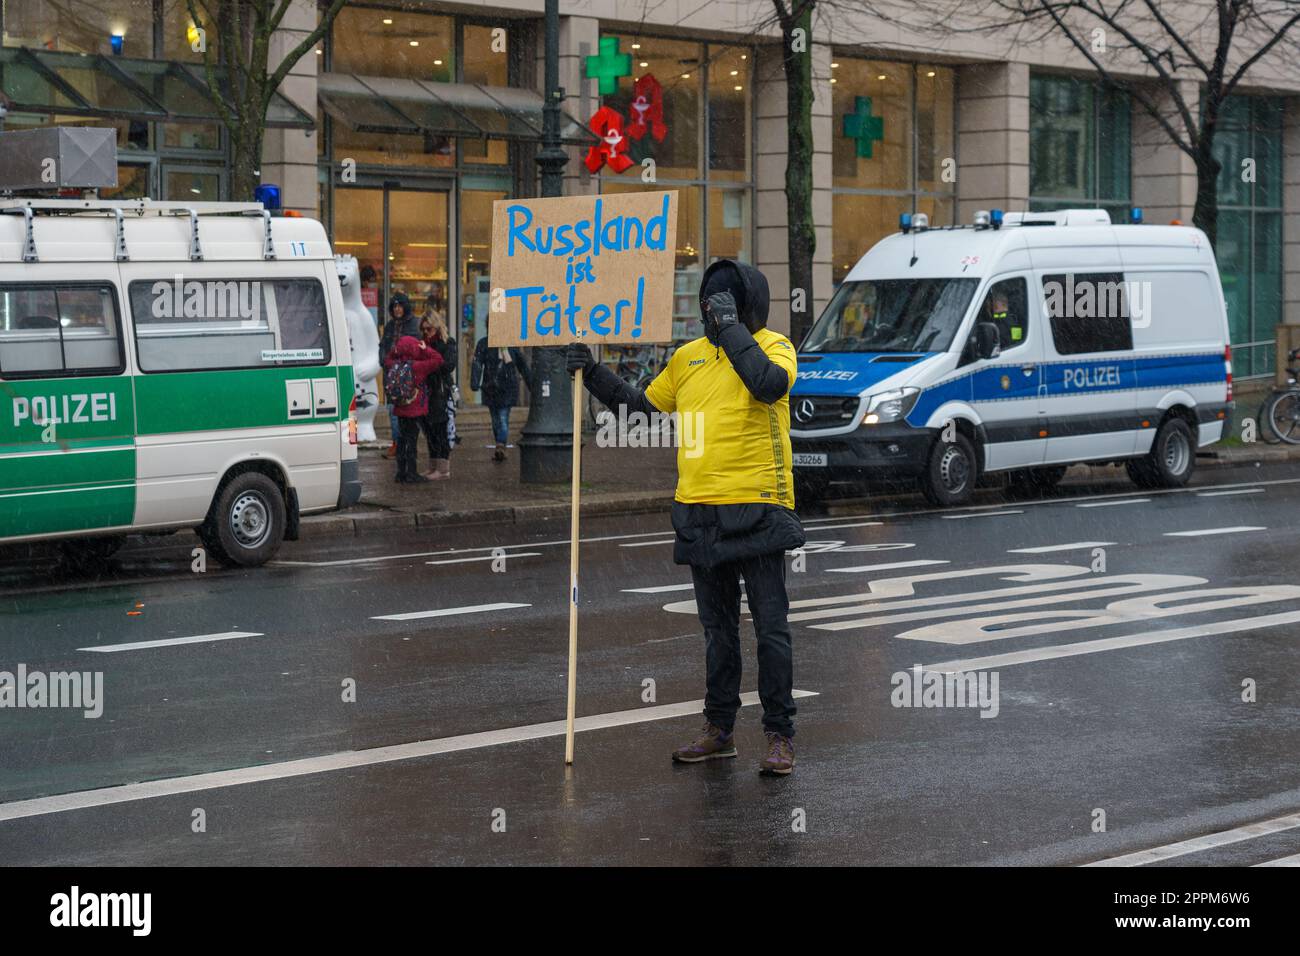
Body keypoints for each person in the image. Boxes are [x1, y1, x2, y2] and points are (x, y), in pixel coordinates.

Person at [565, 259, 805, 776]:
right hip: (700, 513)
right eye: (708, 304)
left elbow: (766, 384)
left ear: (746, 307)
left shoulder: (775, 346)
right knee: (718, 632)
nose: (710, 312)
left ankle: (780, 734)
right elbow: (642, 415)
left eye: (723, 303)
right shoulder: (688, 358)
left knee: (771, 630)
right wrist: (593, 374)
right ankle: (719, 730)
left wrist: (733, 330)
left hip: (759, 507)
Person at [383, 334, 443, 483]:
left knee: (402, 440)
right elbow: (438, 360)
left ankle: (401, 472)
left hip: (400, 407)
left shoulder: (393, 365)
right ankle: (411, 473)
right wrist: (425, 349)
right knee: (411, 441)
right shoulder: (417, 367)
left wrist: (396, 351)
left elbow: (386, 359)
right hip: (414, 410)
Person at [471, 321, 531, 463]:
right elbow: (477, 363)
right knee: (495, 419)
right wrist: (475, 383)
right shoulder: (484, 344)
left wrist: (531, 383)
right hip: (491, 389)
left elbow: (522, 365)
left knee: (503, 417)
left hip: (507, 389)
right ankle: (500, 443)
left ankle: (500, 445)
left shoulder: (510, 345)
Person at [379, 292, 421, 461]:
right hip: (391, 376)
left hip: (407, 377)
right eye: (394, 306)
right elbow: (383, 346)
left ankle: (406, 445)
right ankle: (397, 443)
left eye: (400, 305)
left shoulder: (414, 325)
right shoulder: (390, 326)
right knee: (392, 411)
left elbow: (418, 349)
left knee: (408, 413)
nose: (397, 309)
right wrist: (384, 361)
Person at [419, 309, 457, 480]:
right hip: (426, 391)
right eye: (424, 329)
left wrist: (429, 358)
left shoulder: (447, 343)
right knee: (429, 429)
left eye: (429, 329)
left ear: (436, 327)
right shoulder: (423, 344)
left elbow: (447, 365)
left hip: (440, 391)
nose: (426, 332)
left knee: (441, 429)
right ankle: (433, 465)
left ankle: (443, 468)